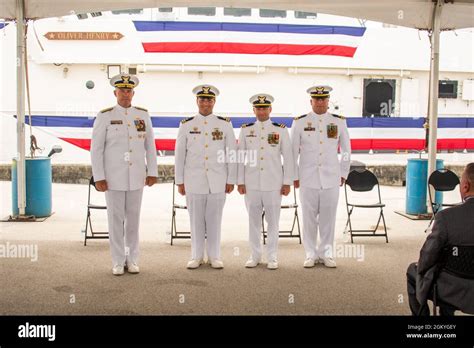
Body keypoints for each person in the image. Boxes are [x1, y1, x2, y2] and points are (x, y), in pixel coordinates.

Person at [90, 74, 158, 276]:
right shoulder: (105, 116)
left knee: (133, 221)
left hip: (136, 177)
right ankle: (118, 261)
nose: (126, 94)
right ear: (115, 93)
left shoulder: (143, 115)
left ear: (133, 93)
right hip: (113, 178)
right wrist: (99, 176)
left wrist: (152, 171)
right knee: (115, 221)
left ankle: (132, 259)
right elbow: (96, 149)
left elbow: (150, 146)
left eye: (129, 91)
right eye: (122, 91)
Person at [174, 84, 237, 269]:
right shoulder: (186, 125)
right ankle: (196, 256)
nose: (205, 103)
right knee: (195, 221)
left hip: (218, 181)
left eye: (209, 99)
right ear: (197, 101)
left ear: (214, 101)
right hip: (193, 181)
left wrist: (231, 179)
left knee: (214, 221)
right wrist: (180, 181)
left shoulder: (224, 124)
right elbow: (180, 155)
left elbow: (231, 153)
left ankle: (215, 256)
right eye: (202, 99)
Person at [291, 85, 351, 268]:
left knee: (328, 218)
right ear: (311, 101)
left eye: (323, 99)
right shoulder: (300, 122)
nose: (320, 102)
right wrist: (294, 175)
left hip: (331, 177)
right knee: (308, 218)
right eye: (316, 99)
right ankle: (310, 253)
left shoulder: (339, 121)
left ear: (327, 101)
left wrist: (343, 172)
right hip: (307, 177)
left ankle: (326, 253)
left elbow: (346, 150)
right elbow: (293, 151)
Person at [406, 163, 474, 315]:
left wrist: (422, 270)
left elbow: (427, 257)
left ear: (465, 186)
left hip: (451, 291)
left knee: (414, 270)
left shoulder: (446, 217)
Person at [237, 94, 294, 270]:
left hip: (273, 183)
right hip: (252, 183)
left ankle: (272, 257)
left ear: (270, 109)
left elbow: (288, 157)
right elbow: (240, 157)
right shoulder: (246, 130)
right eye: (258, 108)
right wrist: (240, 181)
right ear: (253, 110)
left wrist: (287, 182)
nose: (261, 111)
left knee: (273, 222)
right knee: (253, 222)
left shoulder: (281, 130)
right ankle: (254, 255)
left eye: (264, 108)